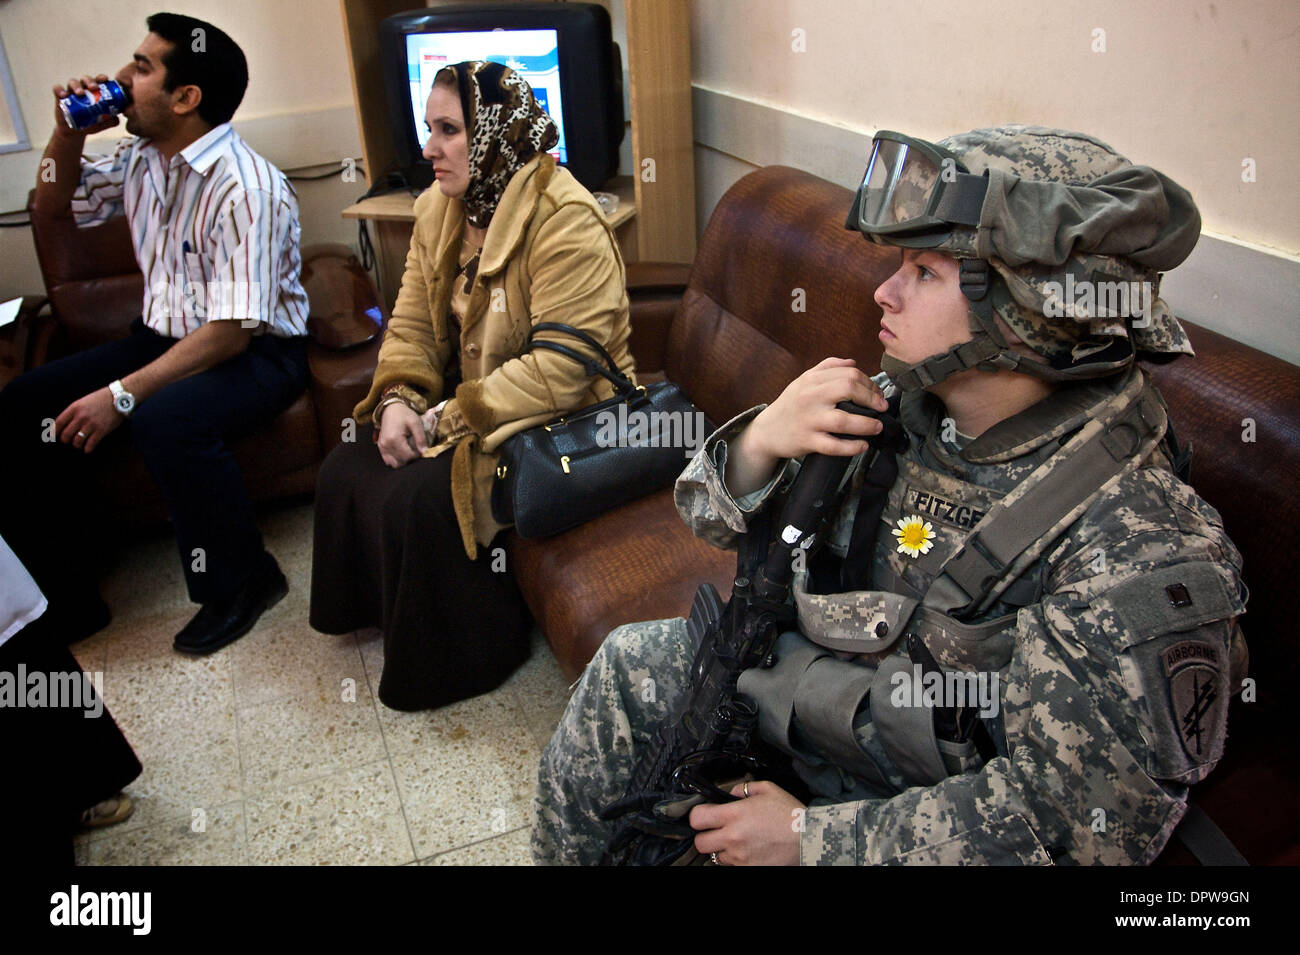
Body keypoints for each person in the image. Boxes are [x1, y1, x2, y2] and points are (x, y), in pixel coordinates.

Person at [532, 125, 1248, 865]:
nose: (885, 290)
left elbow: (1074, 825)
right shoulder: (897, 406)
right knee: (626, 669)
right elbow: (705, 515)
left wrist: (813, 840)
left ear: (1028, 316)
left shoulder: (1138, 543)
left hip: (920, 808)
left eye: (926, 272)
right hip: (818, 709)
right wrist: (760, 443)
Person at [309, 62, 634, 711]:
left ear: (493, 133)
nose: (427, 148)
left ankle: (471, 654)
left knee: (429, 494)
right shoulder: (440, 208)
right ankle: (391, 610)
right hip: (481, 400)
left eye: (448, 130)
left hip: (566, 419)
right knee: (349, 462)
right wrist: (400, 398)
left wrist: (445, 421)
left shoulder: (564, 216)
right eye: (429, 128)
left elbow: (561, 372)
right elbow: (407, 325)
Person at [0, 13, 310, 655]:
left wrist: (120, 395)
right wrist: (66, 133)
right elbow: (53, 206)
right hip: (163, 337)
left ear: (186, 98)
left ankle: (245, 581)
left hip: (256, 353)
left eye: (142, 67)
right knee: (22, 405)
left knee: (164, 418)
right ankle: (61, 590)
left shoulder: (247, 188)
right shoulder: (142, 157)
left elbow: (229, 335)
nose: (120, 77)